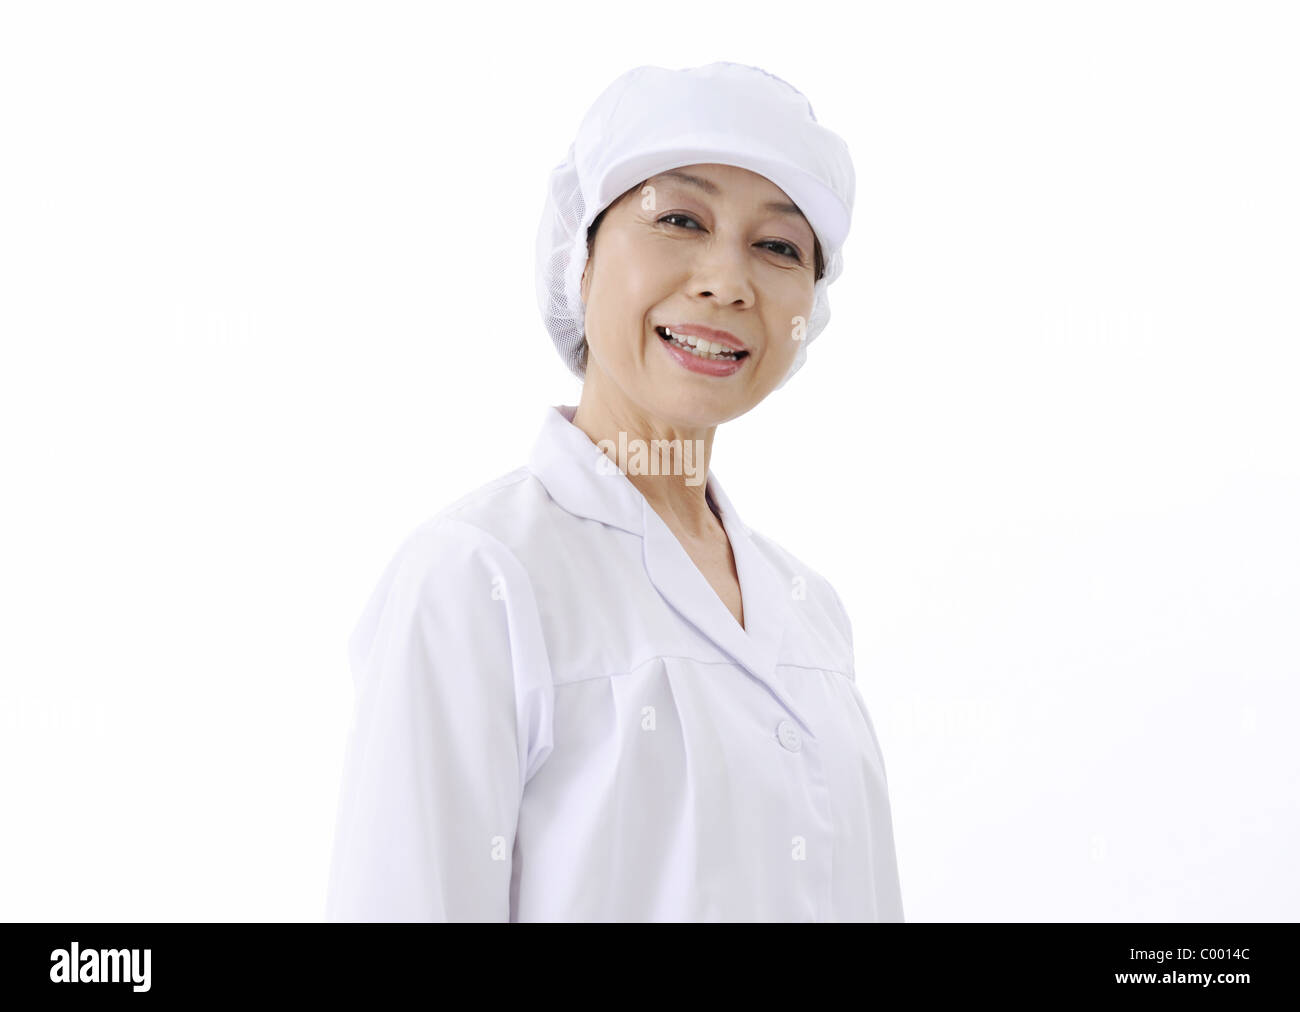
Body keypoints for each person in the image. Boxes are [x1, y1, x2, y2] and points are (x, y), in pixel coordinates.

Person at [325, 61, 905, 922]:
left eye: (779, 246)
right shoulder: (477, 579)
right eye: (678, 218)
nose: (728, 280)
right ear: (580, 258)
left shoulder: (809, 612)